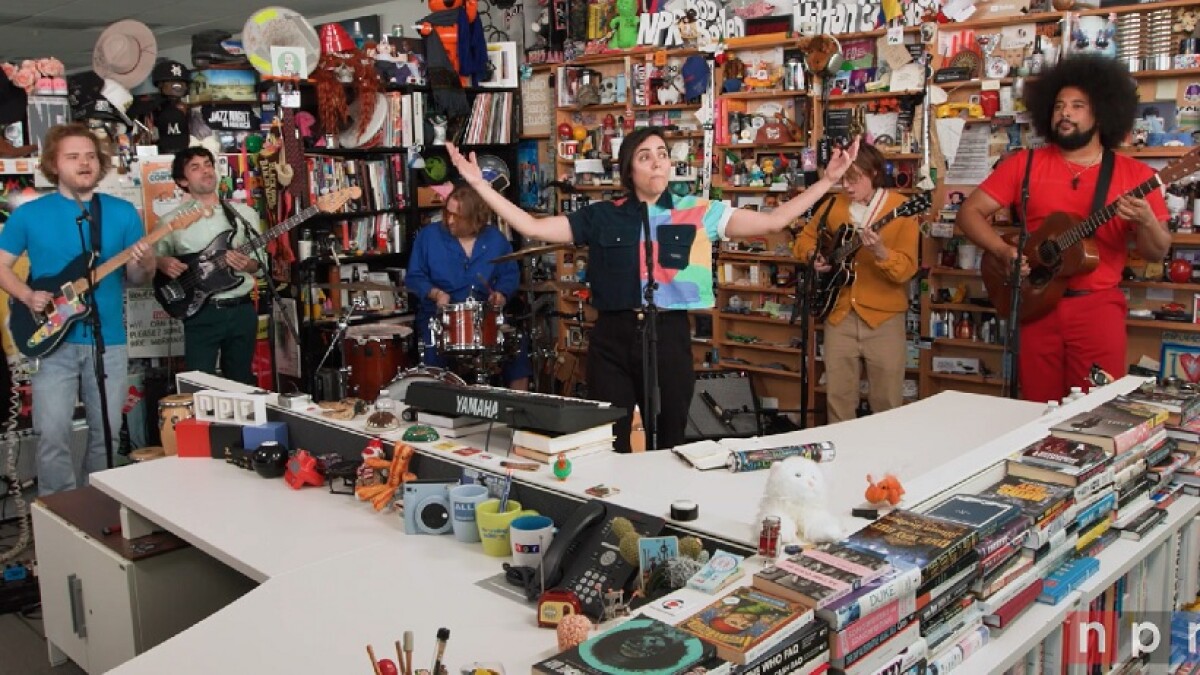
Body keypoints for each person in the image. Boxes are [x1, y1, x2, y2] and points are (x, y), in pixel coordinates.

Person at [446, 128, 858, 452]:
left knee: (671, 438)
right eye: (646, 156)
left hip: (669, 335)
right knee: (613, 440)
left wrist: (827, 181)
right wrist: (479, 186)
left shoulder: (696, 210)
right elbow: (533, 228)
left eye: (663, 154)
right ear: (630, 170)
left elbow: (772, 222)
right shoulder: (602, 215)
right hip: (612, 338)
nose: (658, 163)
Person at [956, 56, 1170, 404]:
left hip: (1097, 310)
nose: (1064, 114)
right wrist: (1003, 251)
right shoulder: (1024, 164)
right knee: (1035, 412)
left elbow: (1157, 251)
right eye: (1058, 106)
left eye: (1077, 106)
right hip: (1035, 304)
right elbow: (969, 213)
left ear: (1100, 113)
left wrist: (1146, 221)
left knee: (1098, 411)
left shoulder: (1137, 176)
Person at [0, 123, 154, 495]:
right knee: (52, 434)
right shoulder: (29, 215)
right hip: (52, 342)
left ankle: (98, 509)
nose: (84, 163)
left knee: (106, 434)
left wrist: (146, 261)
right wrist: (27, 295)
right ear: (54, 164)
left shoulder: (121, 213)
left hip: (109, 342)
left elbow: (138, 278)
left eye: (90, 156)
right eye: (73, 157)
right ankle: (59, 515)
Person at [792, 143, 919, 424]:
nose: (848, 187)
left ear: (874, 173)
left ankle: (886, 464)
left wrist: (882, 253)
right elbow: (803, 240)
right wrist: (814, 256)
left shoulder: (901, 208)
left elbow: (907, 270)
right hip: (839, 314)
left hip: (884, 318)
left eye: (855, 179)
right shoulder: (832, 205)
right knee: (838, 398)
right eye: (843, 180)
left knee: (887, 401)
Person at [406, 184, 531, 390]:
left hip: (484, 317)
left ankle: (519, 411)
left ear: (476, 219)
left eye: (458, 216)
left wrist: (501, 294)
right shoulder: (428, 236)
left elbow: (509, 275)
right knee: (433, 353)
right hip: (440, 317)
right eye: (448, 213)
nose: (450, 220)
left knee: (517, 346)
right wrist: (435, 293)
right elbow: (415, 276)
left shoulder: (496, 240)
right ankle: (439, 411)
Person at [155, 147, 262, 384]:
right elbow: (149, 264)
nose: (206, 171)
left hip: (242, 310)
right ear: (183, 180)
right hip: (201, 311)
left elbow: (261, 266)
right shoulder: (170, 221)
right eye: (195, 167)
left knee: (242, 383)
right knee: (200, 385)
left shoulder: (244, 214)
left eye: (207, 164)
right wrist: (161, 262)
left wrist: (248, 264)